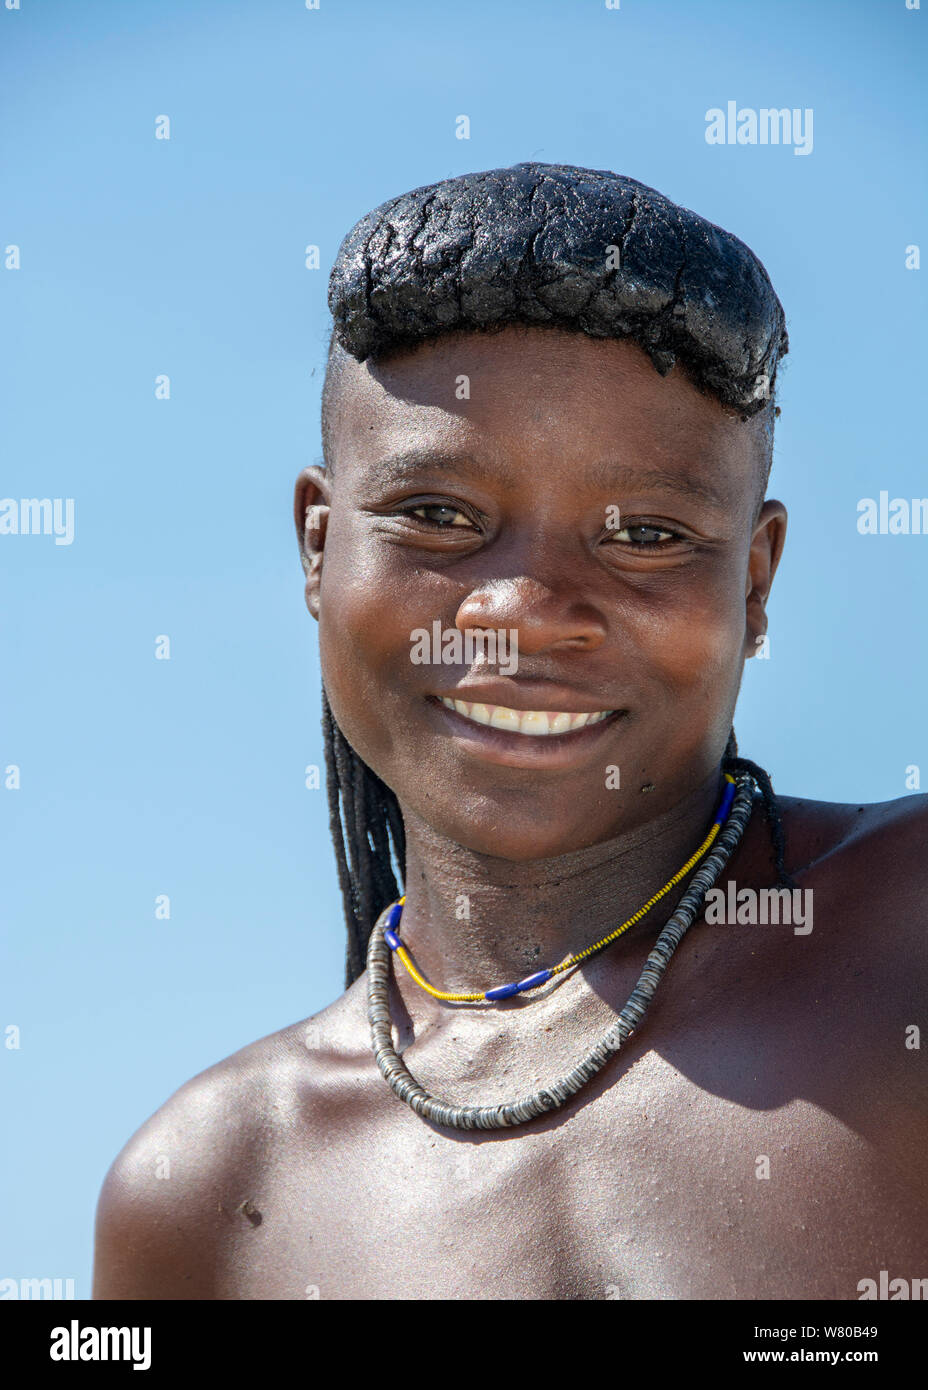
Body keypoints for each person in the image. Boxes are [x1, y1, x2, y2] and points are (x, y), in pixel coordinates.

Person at [93, 163, 927, 1300]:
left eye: (643, 533)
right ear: (315, 545)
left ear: (755, 580)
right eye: (438, 516)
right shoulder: (203, 1194)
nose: (524, 613)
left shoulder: (904, 936)